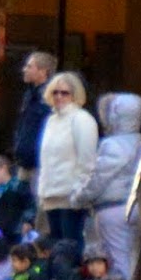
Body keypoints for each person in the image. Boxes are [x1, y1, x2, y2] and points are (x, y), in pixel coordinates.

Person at [69, 92, 141, 280]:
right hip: (138, 208)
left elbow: (98, 179)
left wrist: (78, 197)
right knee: (134, 260)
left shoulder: (113, 145)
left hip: (113, 210)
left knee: (118, 263)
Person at [35, 72, 98, 249]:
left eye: (65, 93)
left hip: (71, 196)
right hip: (50, 195)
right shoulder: (50, 121)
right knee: (54, 247)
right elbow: (45, 159)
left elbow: (87, 160)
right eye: (55, 92)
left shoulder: (82, 119)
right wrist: (42, 191)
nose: (59, 96)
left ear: (75, 94)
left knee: (70, 246)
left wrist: (79, 192)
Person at [11, 51, 55, 183]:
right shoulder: (29, 95)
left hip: (41, 165)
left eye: (30, 66)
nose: (25, 70)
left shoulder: (52, 97)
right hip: (24, 163)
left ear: (43, 71)